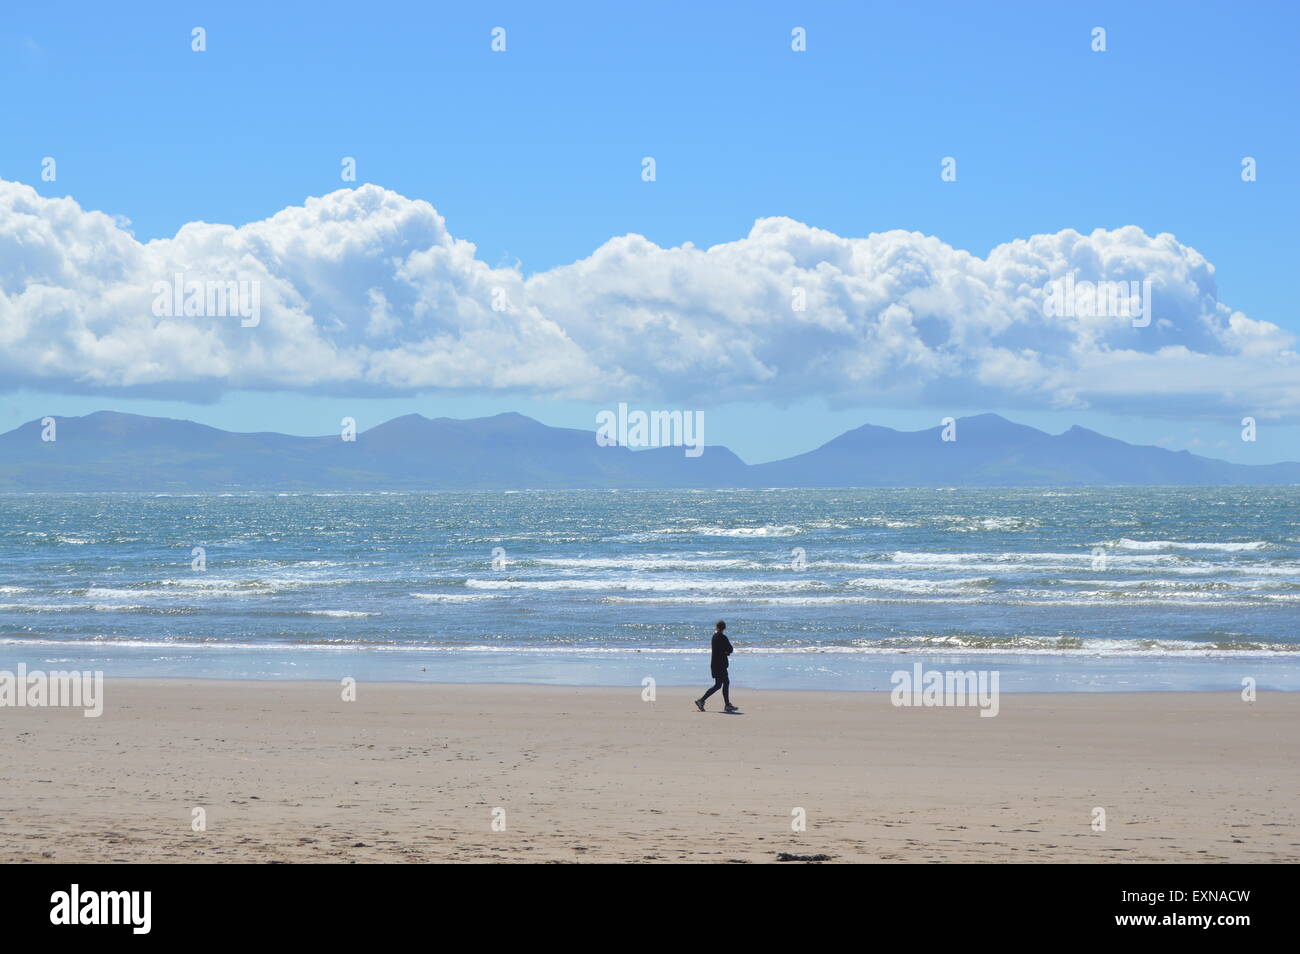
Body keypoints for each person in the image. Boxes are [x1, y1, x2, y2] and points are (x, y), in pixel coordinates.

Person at [695, 620, 738, 712]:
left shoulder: (714, 637)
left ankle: (702, 701)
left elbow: (722, 649)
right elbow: (730, 649)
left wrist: (725, 651)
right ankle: (726, 705)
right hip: (721, 665)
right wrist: (726, 652)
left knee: (719, 685)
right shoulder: (723, 637)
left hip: (715, 664)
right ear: (724, 628)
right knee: (723, 683)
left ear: (716, 627)